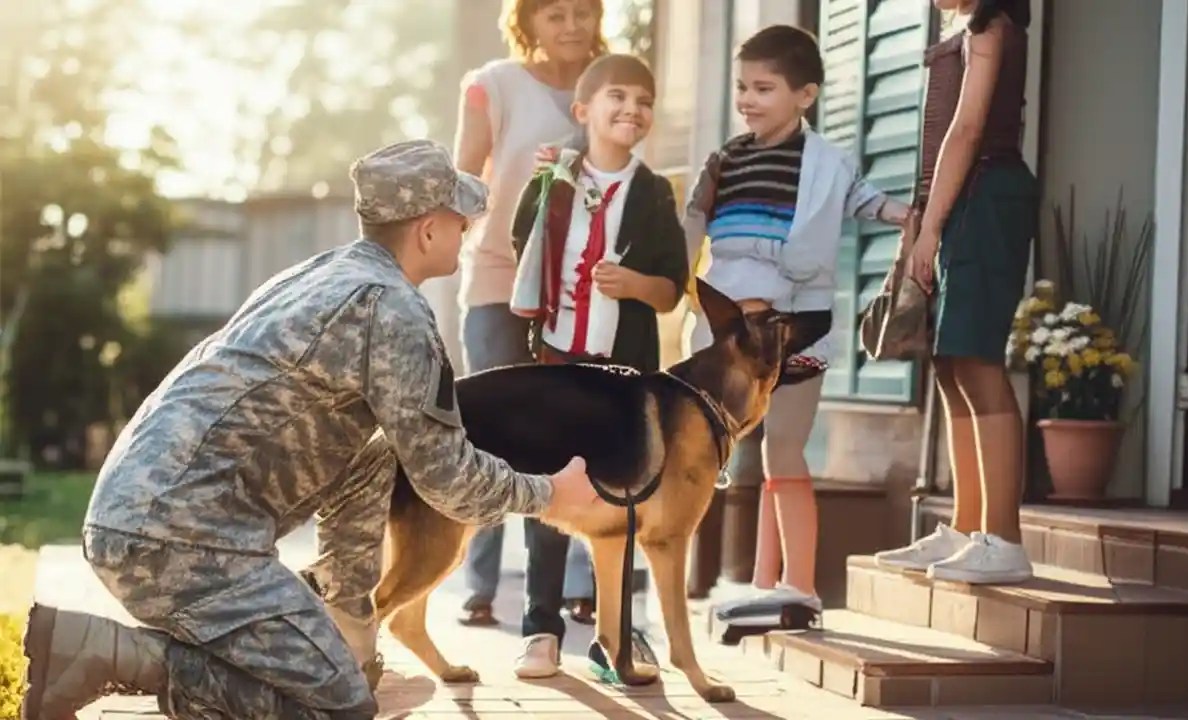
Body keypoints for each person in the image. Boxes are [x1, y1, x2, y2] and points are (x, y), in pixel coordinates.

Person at [20, 139, 598, 720]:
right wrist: (549, 493)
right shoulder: (393, 313)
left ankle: (339, 624)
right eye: (459, 218)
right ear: (426, 231)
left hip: (140, 514)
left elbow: (372, 460)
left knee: (377, 448)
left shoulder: (321, 273)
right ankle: (105, 654)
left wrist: (352, 615)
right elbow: (446, 477)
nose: (468, 227)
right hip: (179, 542)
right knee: (336, 707)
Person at [683, 25, 911, 617]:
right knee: (737, 449)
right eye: (742, 87)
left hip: (796, 326)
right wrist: (679, 285)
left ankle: (801, 584)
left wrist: (915, 217)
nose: (748, 100)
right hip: (729, 329)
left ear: (804, 96)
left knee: (785, 446)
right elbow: (691, 225)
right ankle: (764, 580)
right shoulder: (725, 160)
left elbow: (869, 202)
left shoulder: (828, 166)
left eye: (764, 88)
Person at [505, 53, 688, 677]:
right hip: (556, 362)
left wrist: (635, 283)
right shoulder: (554, 178)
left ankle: (617, 633)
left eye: (643, 101)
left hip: (624, 374)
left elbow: (672, 288)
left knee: (623, 499)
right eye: (618, 97)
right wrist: (545, 182)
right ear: (584, 111)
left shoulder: (654, 193)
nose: (631, 110)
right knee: (548, 492)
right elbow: (522, 248)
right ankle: (539, 630)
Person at [452, 0, 605, 632]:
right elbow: (462, 178)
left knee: (572, 438)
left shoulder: (609, 86)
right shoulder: (493, 85)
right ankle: (479, 584)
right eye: (554, 14)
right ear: (528, 22)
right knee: (492, 431)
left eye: (582, 12)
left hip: (579, 292)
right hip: (496, 279)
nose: (570, 25)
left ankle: (575, 582)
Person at [873, 0, 1036, 585]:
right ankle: (969, 530)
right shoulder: (956, 27)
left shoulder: (992, 26)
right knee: (950, 364)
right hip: (953, 201)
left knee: (977, 358)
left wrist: (934, 225)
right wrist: (920, 219)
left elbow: (968, 129)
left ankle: (1004, 538)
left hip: (987, 196)